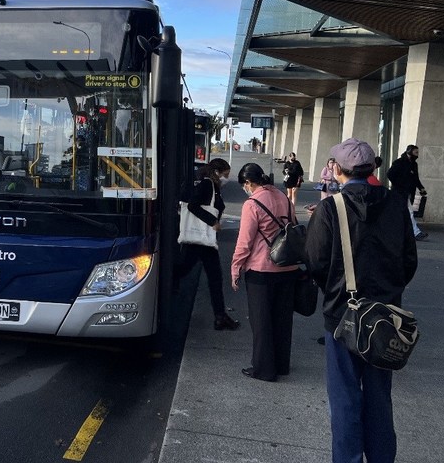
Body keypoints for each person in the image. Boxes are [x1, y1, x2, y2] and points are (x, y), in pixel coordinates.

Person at [305, 138, 418, 463]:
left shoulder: (330, 208)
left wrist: (338, 291)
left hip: (342, 316)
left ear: (338, 171)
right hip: (386, 317)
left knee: (344, 400)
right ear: (372, 169)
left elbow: (315, 261)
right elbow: (409, 261)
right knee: (380, 398)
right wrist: (388, 292)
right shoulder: (397, 205)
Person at [230, 162, 301, 382]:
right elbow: (294, 226)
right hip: (288, 267)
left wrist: (236, 268)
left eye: (245, 185)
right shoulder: (283, 198)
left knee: (261, 322)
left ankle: (263, 369)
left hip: (262, 269)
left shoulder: (252, 204)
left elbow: (245, 241)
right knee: (282, 320)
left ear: (249, 183)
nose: (245, 189)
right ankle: (281, 365)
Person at [175, 158, 241, 331]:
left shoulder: (212, 186)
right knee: (211, 277)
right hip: (202, 239)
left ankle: (220, 316)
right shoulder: (207, 185)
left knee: (191, 271)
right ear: (218, 172)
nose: (227, 178)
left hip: (202, 240)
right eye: (226, 174)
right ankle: (220, 317)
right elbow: (193, 206)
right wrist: (212, 221)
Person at [387, 144, 429, 240]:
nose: (417, 154)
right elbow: (390, 174)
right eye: (416, 152)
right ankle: (415, 232)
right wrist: (399, 184)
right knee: (409, 212)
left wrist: (421, 188)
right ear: (409, 152)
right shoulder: (399, 163)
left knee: (403, 213)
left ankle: (401, 232)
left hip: (408, 192)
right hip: (400, 192)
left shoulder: (414, 164)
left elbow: (415, 178)